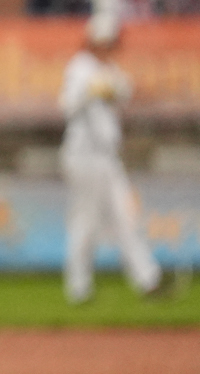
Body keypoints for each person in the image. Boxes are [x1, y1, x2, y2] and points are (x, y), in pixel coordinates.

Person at [60, 15, 164, 304]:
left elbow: (130, 91)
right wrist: (93, 90)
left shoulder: (109, 70)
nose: (112, 47)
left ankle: (148, 279)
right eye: (108, 42)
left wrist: (160, 91)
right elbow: (67, 104)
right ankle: (78, 287)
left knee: (126, 216)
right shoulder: (79, 67)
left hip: (107, 157)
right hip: (84, 156)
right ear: (95, 41)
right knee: (85, 222)